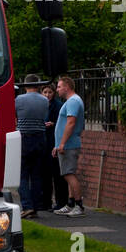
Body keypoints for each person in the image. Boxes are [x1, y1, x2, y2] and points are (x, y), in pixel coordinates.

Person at [14, 75, 51, 218]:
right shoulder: (44, 100)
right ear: (38, 84)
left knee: (22, 174)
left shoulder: (19, 100)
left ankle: (27, 205)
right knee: (36, 175)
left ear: (25, 85)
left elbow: (15, 115)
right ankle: (36, 206)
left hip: (24, 137)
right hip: (41, 137)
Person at [51, 76, 86, 217]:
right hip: (66, 144)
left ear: (67, 87)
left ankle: (79, 206)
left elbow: (71, 123)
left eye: (59, 87)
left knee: (68, 174)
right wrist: (57, 144)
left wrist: (62, 144)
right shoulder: (72, 101)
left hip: (69, 145)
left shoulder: (73, 102)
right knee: (68, 173)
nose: (57, 90)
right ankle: (71, 204)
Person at [43, 84, 67, 210]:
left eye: (50, 92)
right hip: (44, 142)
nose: (47, 95)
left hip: (54, 141)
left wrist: (53, 124)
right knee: (45, 174)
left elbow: (63, 123)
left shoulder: (58, 106)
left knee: (57, 174)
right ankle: (46, 202)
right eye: (45, 92)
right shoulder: (41, 105)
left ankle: (60, 202)